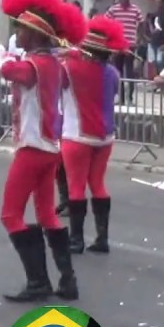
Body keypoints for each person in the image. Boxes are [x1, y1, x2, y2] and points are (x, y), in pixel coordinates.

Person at [0, 0, 88, 303]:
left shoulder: (34, 63)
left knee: (11, 215)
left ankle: (38, 282)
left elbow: (9, 70)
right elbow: (60, 82)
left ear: (34, 35)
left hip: (33, 147)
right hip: (51, 147)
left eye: (20, 28)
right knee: (47, 214)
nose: (16, 33)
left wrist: (3, 57)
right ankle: (67, 280)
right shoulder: (55, 64)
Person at [61, 16, 127, 255]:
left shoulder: (69, 68)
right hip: (105, 137)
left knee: (76, 187)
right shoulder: (112, 73)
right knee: (98, 184)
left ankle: (76, 240)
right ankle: (102, 239)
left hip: (77, 135)